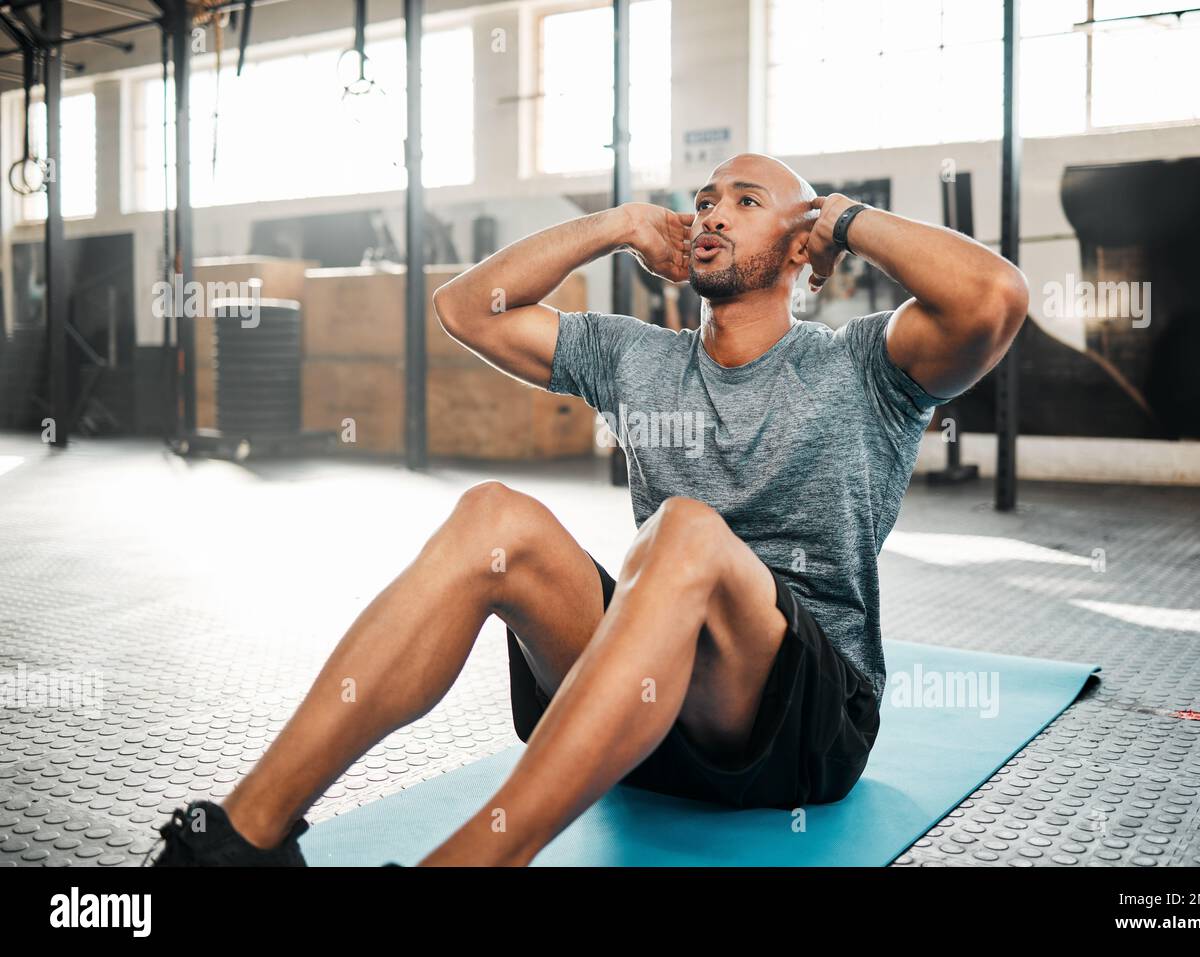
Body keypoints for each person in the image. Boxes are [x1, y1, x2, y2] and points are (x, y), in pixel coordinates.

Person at [146, 152, 1027, 867]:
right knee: (494, 516)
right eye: (703, 199)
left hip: (801, 725)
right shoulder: (635, 358)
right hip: (648, 716)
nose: (712, 213)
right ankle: (240, 838)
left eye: (747, 201)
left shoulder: (865, 366)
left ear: (800, 250)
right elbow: (465, 308)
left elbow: (995, 298)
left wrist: (842, 219)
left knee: (684, 528)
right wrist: (616, 225)